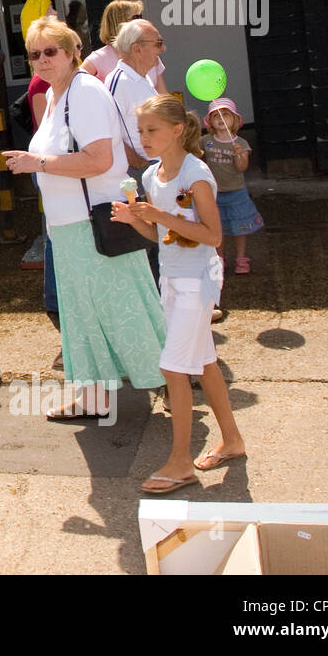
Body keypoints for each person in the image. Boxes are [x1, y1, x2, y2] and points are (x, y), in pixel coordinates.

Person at [2, 17, 165, 418]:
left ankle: (172, 383)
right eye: (34, 54)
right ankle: (92, 396)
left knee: (125, 310)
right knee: (81, 317)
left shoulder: (85, 91)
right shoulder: (58, 95)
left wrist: (35, 161)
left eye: (50, 51)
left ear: (73, 51)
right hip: (68, 227)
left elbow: (99, 160)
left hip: (95, 222)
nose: (41, 60)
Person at [111, 94, 246, 493]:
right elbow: (161, 236)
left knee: (173, 368)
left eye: (151, 130)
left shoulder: (197, 174)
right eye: (140, 131)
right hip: (171, 279)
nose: (144, 138)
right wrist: (135, 219)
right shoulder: (152, 177)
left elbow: (213, 235)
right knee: (203, 361)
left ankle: (181, 462)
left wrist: (160, 216)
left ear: (177, 131)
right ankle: (233, 440)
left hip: (199, 281)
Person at [203, 98, 264, 274]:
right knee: (217, 228)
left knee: (239, 228)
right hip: (214, 193)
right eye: (216, 116)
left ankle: (241, 258)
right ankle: (219, 258)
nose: (221, 119)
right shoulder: (205, 141)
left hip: (236, 192)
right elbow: (196, 157)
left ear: (235, 120)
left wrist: (239, 156)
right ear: (210, 121)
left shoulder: (241, 143)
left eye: (226, 115)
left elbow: (242, 168)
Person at [105, 18, 168, 174]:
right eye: (158, 44)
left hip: (155, 165)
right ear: (137, 49)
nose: (163, 49)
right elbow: (108, 130)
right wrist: (139, 163)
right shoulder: (120, 81)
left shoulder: (142, 78)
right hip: (140, 170)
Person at [83, 0, 168, 94]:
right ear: (119, 22)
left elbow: (163, 95)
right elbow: (77, 86)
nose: (141, 21)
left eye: (141, 16)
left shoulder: (148, 53)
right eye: (136, 17)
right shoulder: (99, 58)